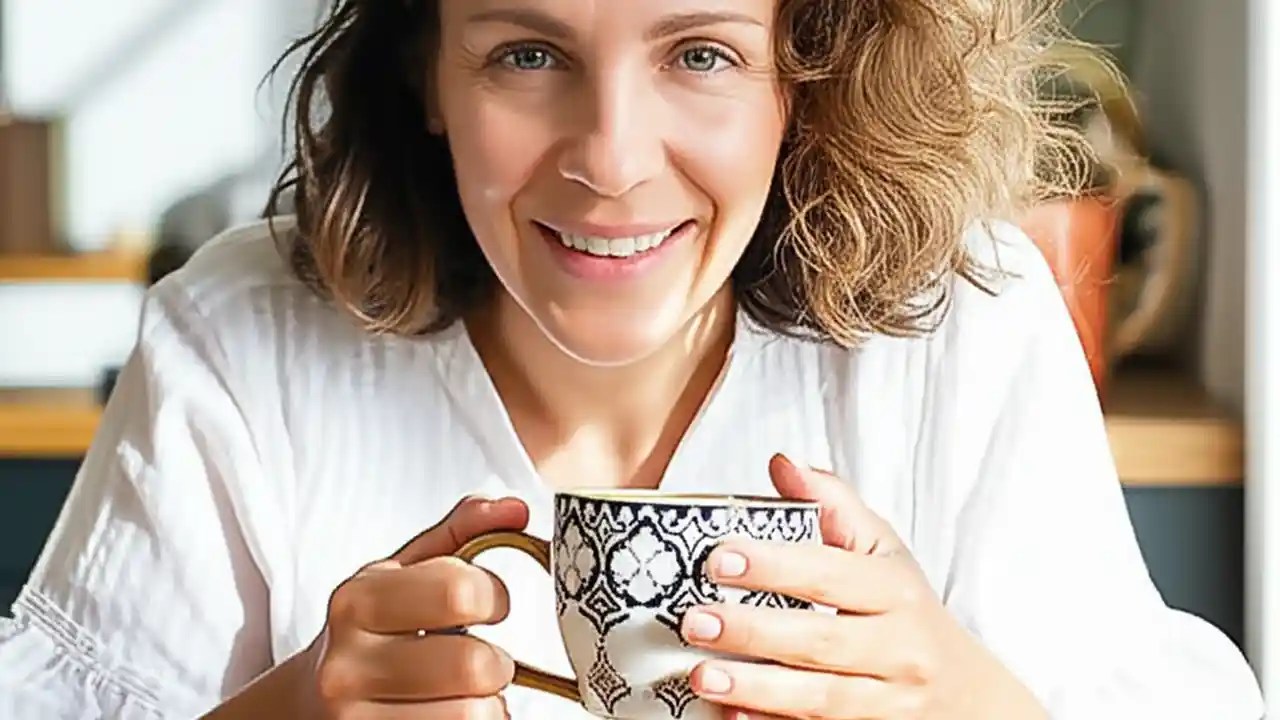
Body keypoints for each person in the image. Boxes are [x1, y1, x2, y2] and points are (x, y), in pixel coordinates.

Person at [0, 0, 1265, 718]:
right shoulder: (242, 334)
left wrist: (967, 704)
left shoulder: (965, 331)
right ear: (426, 74)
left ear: (802, 76)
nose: (609, 159)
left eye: (700, 55)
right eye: (526, 54)